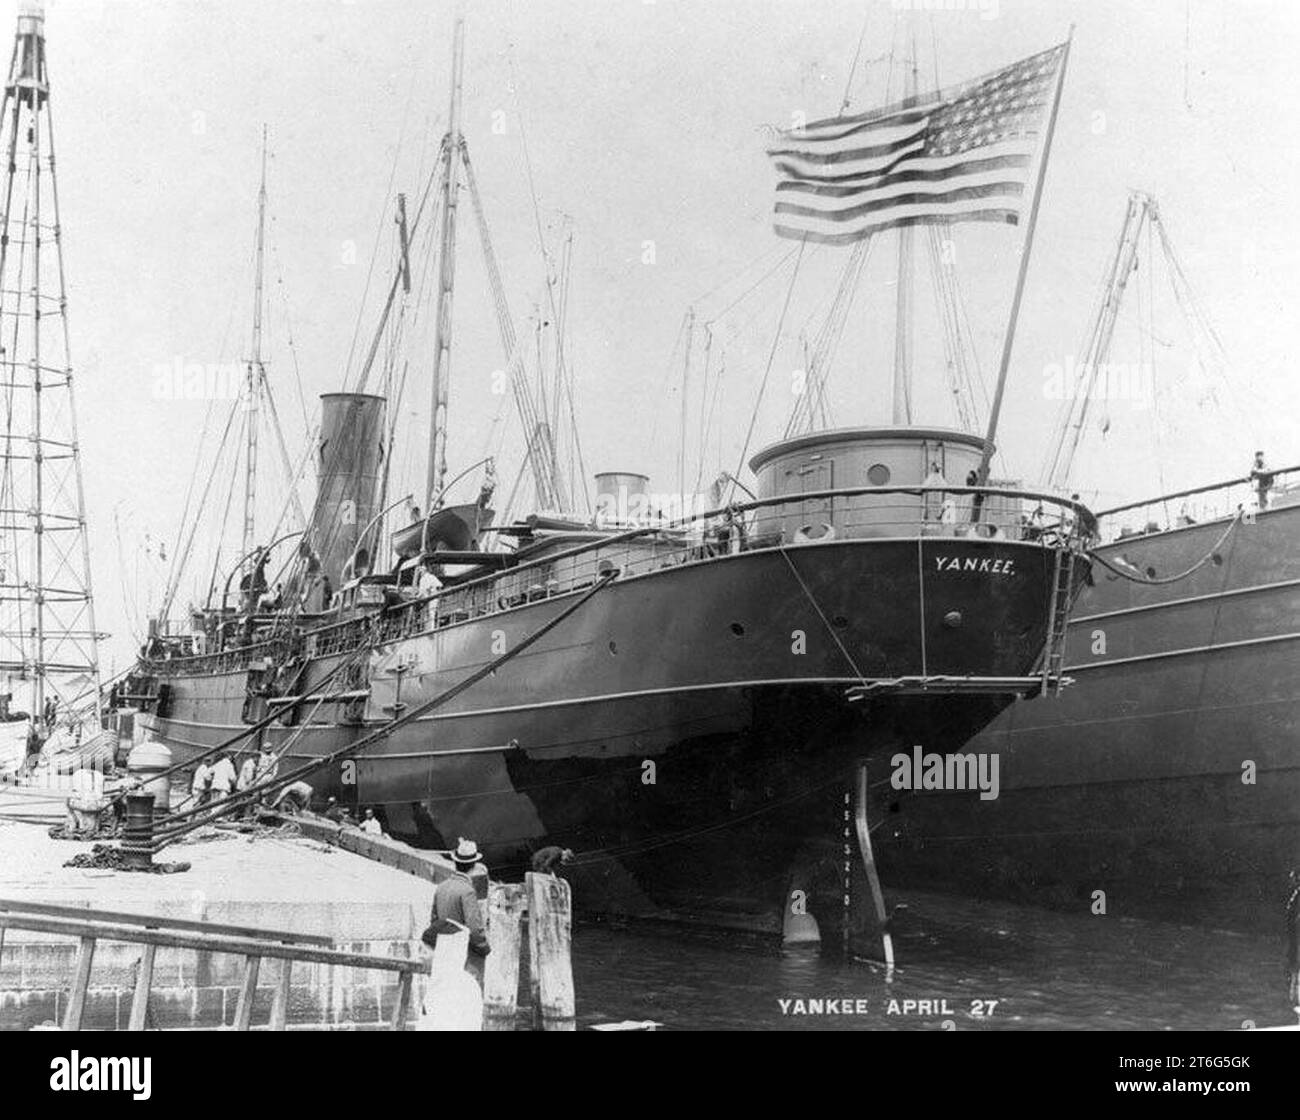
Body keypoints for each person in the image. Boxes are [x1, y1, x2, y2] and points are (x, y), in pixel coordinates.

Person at [431, 838, 491, 985]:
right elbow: (475, 928)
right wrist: (485, 948)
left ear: (455, 862)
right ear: (474, 865)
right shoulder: (467, 891)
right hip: (465, 955)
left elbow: (433, 922)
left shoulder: (441, 887)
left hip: (444, 953)